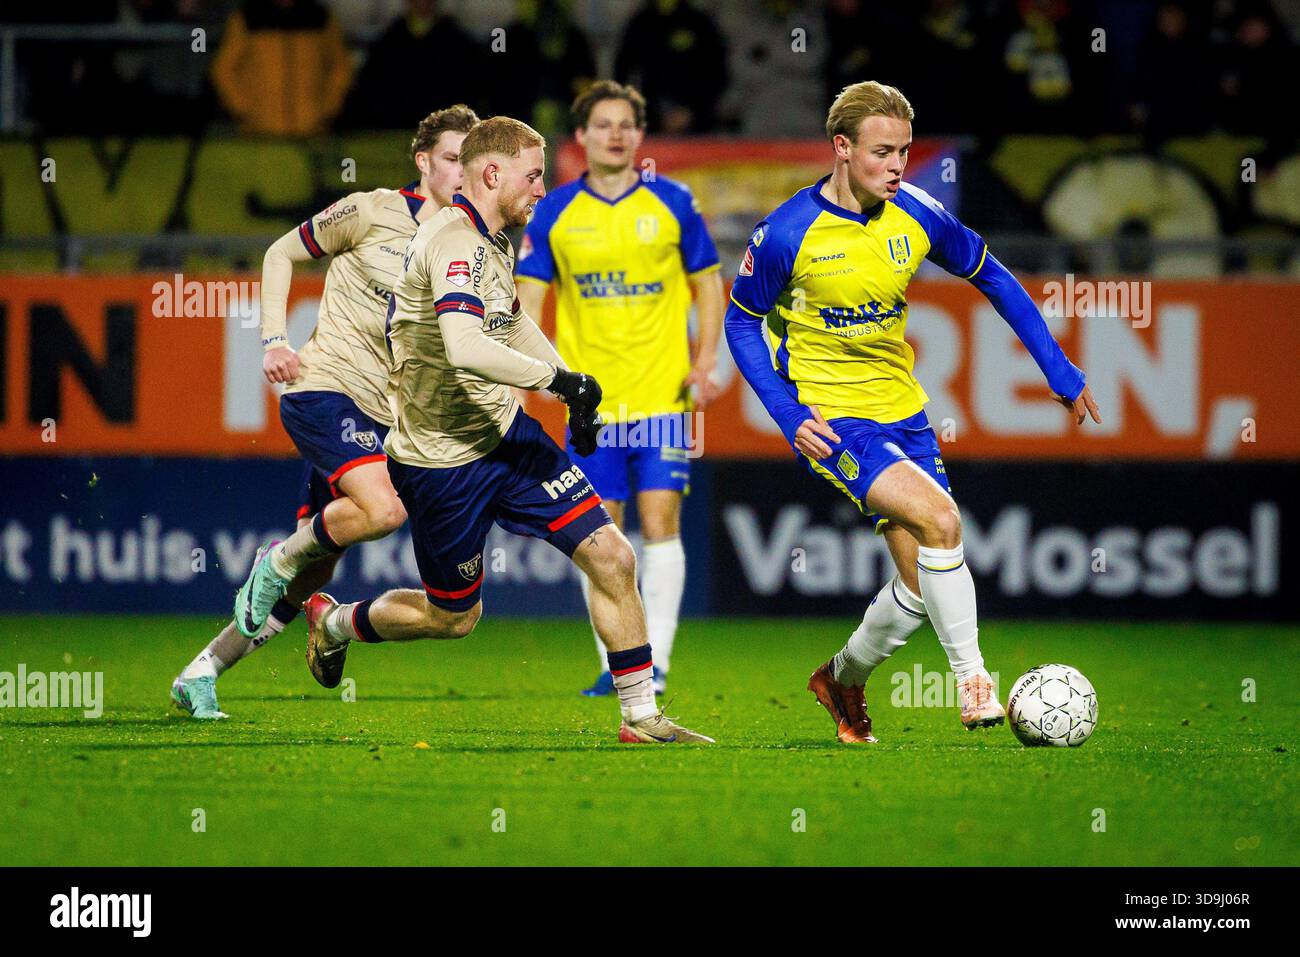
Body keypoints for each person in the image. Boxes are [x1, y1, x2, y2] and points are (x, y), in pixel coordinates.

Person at [296, 116, 713, 744]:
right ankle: (337, 625)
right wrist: (561, 385)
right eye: (534, 175)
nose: (542, 189)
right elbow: (465, 346)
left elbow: (511, 323)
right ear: (493, 174)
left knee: (612, 555)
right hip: (441, 465)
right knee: (453, 617)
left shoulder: (495, 240)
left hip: (507, 439)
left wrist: (570, 379)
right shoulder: (452, 244)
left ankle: (640, 716)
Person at [724, 81, 1101, 743]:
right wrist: (787, 414)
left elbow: (995, 276)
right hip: (832, 417)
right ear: (841, 148)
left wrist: (1059, 368)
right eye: (881, 152)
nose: (896, 165)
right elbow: (741, 323)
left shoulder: (918, 214)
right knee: (943, 520)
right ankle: (975, 681)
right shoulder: (788, 231)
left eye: (903, 150)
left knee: (922, 585)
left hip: (905, 412)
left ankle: (840, 679)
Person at [171, 106, 478, 719]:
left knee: (318, 565)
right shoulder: (369, 210)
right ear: (423, 162)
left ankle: (201, 671)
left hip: (391, 423)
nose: (463, 174)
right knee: (381, 509)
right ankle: (275, 558)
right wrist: (273, 339)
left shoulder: (472, 246)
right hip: (326, 389)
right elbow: (280, 253)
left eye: (473, 163)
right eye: (451, 159)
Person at [516, 81, 723, 697]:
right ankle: (617, 661)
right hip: (591, 406)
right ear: (580, 137)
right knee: (599, 533)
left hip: (663, 395)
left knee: (661, 523)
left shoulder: (675, 203)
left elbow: (709, 284)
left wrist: (704, 360)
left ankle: (654, 662)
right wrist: (538, 375)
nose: (615, 134)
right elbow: (526, 301)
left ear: (640, 134)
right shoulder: (554, 211)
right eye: (603, 124)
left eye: (626, 124)